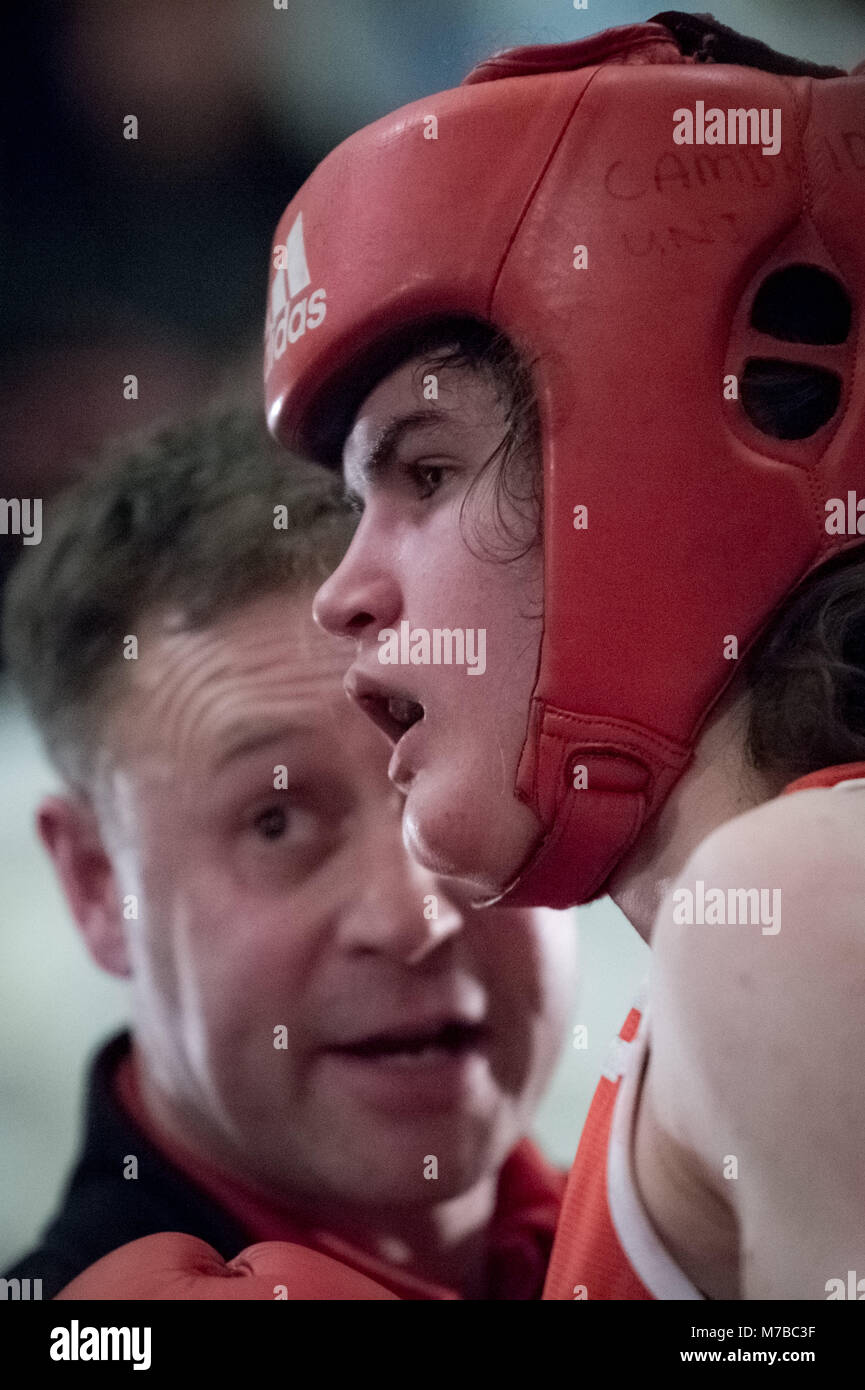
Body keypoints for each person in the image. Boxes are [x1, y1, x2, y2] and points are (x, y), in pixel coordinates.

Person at [262, 12, 865, 1299]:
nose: (343, 595)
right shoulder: (736, 952)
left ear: (670, 467)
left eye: (426, 469)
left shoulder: (809, 895)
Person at [0, 404, 577, 1300]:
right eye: (276, 821)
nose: (412, 917)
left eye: (468, 775)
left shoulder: (701, 1256)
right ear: (96, 882)